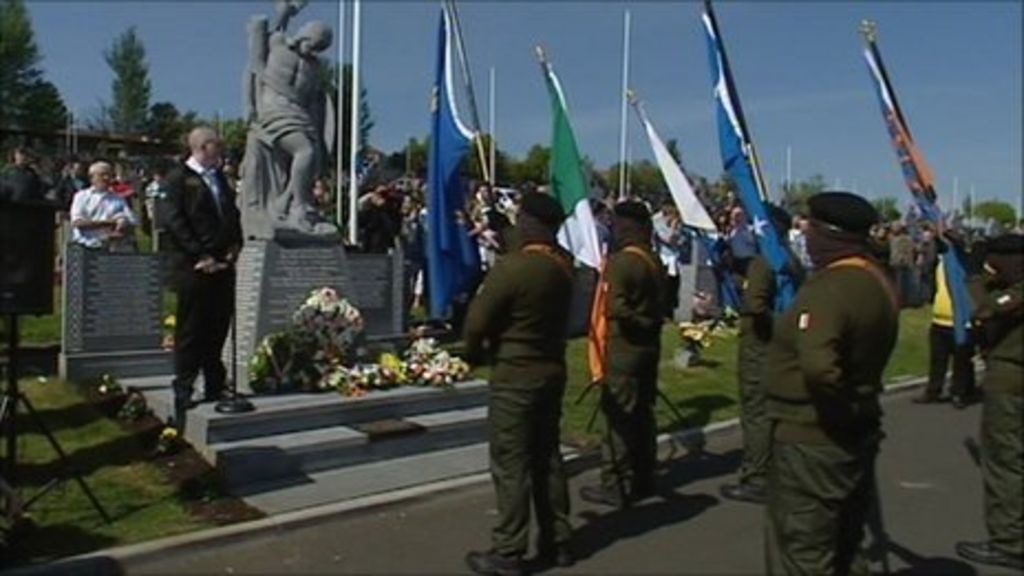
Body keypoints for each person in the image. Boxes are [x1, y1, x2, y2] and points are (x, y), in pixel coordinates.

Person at [764, 192, 899, 575]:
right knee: (845, 546)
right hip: (855, 430)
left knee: (803, 551)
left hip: (813, 434)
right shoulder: (877, 282)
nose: (804, 237)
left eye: (809, 229)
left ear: (826, 235)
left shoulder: (829, 288)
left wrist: (838, 412)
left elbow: (821, 368)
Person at [463, 191, 575, 576]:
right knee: (547, 458)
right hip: (551, 370)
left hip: (515, 375)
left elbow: (477, 323)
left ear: (529, 222)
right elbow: (535, 246)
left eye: (520, 217)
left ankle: (508, 549)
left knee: (512, 462)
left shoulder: (512, 269)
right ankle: (557, 540)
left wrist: (473, 353)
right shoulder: (563, 264)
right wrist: (501, 225)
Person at [579, 201, 665, 509]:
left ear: (627, 227)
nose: (613, 230)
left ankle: (614, 483)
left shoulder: (622, 263)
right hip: (649, 350)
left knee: (618, 419)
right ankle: (643, 478)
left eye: (616, 225)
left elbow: (616, 308)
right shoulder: (652, 260)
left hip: (625, 350)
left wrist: (639, 321)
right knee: (643, 415)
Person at [721, 204, 803, 504]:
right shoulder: (789, 261)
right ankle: (776, 470)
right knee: (774, 413)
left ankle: (756, 478)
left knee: (756, 414)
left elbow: (755, 306)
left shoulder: (763, 262)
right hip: (783, 349)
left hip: (760, 346)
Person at [164, 127, 243, 432]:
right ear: (202, 147)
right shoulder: (178, 178)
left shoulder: (219, 177)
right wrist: (200, 255)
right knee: (192, 328)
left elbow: (231, 215)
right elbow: (174, 221)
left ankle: (215, 383)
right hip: (194, 266)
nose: (221, 151)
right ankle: (184, 386)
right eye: (217, 146)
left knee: (218, 325)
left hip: (223, 263)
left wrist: (235, 246)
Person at [955, 233, 1023, 571]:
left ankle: (1010, 542)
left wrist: (971, 275)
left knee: (1005, 462)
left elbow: (985, 310)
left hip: (1013, 383)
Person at [914, 256, 977, 407]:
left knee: (961, 361)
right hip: (939, 320)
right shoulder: (941, 262)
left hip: (961, 322)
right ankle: (933, 390)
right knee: (937, 359)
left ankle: (959, 392)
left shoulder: (966, 264)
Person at [68, 161, 138, 250]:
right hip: (86, 248)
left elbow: (132, 222)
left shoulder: (118, 199)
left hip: (110, 249)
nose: (106, 178)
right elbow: (78, 223)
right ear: (92, 177)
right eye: (102, 175)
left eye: (109, 175)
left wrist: (122, 225)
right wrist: (110, 222)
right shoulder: (81, 197)